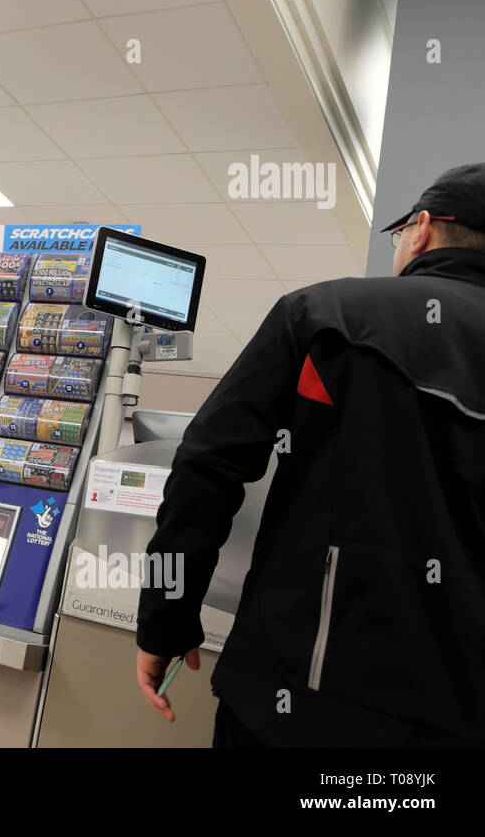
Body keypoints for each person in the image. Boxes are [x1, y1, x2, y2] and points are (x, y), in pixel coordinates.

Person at [135, 162, 485, 747]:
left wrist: (164, 621)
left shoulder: (325, 315)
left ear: (421, 229)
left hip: (299, 704)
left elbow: (206, 464)